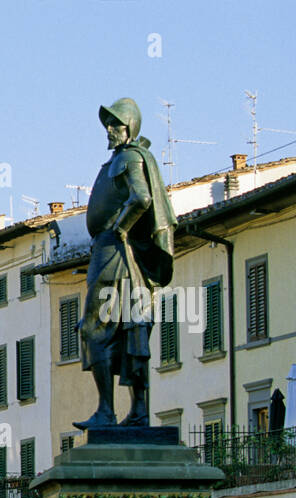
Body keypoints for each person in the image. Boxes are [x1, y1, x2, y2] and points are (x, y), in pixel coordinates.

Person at [73, 97, 176, 430]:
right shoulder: (119, 160)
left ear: (129, 127)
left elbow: (142, 197)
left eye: (116, 124)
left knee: (93, 329)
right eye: (108, 123)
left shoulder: (129, 158)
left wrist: (120, 227)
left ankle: (106, 411)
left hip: (114, 254)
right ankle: (139, 412)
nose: (109, 129)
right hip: (116, 254)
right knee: (131, 331)